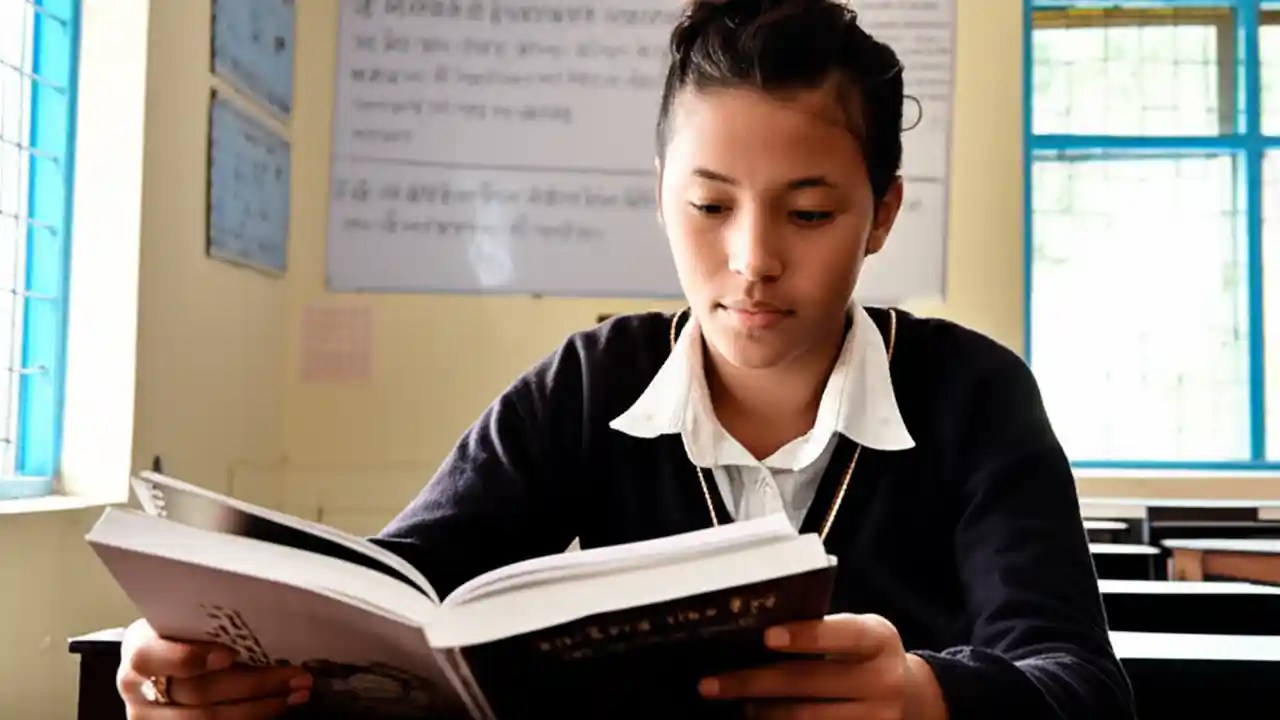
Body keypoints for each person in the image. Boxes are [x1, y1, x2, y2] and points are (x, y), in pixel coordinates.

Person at [116, 0, 1137, 717]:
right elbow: (391, 601)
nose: (752, 262)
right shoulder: (589, 384)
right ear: (660, 197)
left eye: (812, 212)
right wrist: (213, 658)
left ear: (881, 217)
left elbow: (1078, 685)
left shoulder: (973, 395)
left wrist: (923, 696)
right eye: (706, 206)